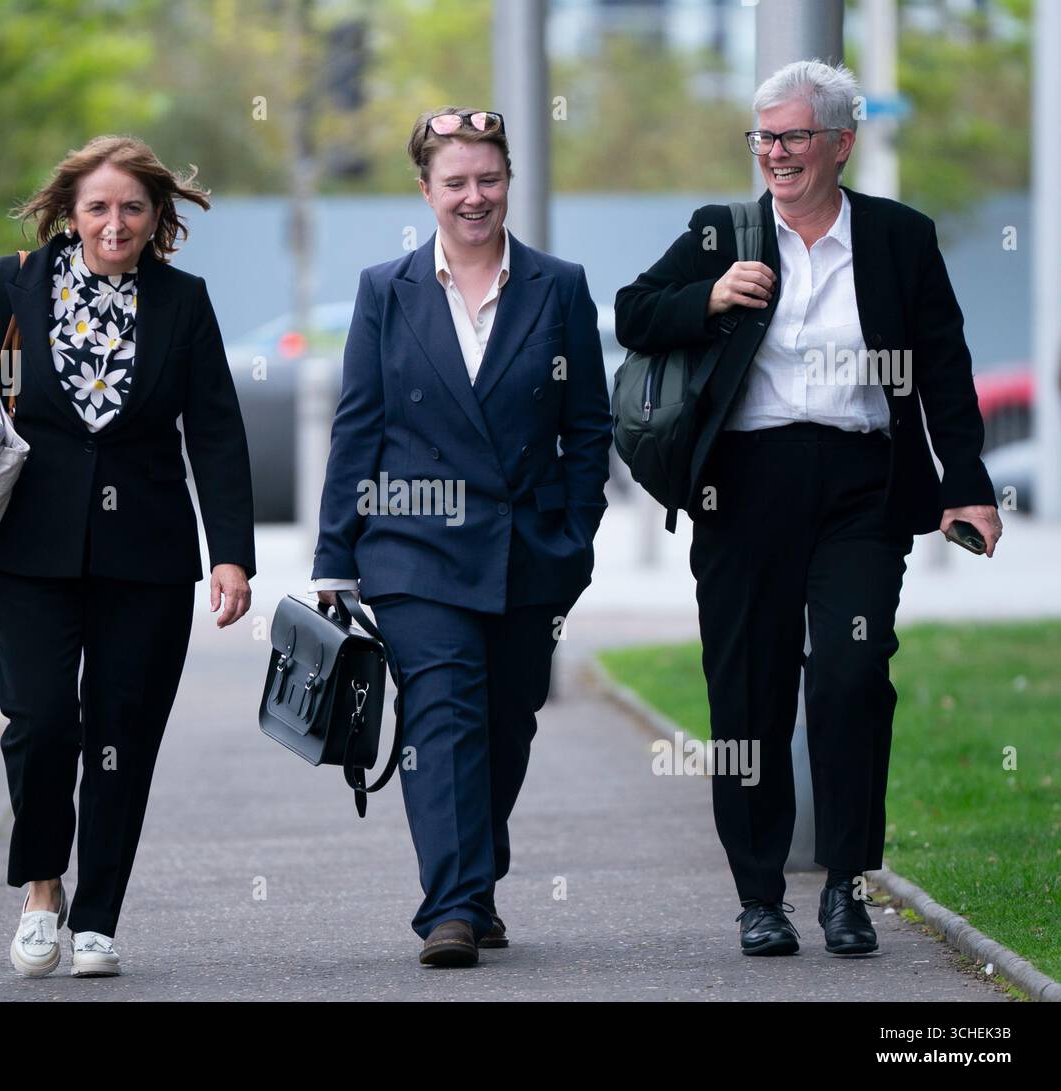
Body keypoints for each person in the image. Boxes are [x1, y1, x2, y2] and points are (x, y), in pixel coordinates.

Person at [0, 134, 255, 978]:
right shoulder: (16, 285)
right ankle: (43, 889)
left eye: (132, 208)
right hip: (31, 548)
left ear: (155, 218)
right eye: (99, 206)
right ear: (69, 212)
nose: (115, 222)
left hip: (147, 555)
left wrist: (232, 555)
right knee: (38, 721)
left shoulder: (184, 303)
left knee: (121, 733)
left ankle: (99, 917)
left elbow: (214, 431)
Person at [615, 61, 1001, 957]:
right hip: (744, 487)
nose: (775, 154)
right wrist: (707, 297)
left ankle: (844, 885)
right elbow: (635, 313)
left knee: (850, 677)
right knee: (745, 690)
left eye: (792, 137)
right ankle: (758, 896)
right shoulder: (724, 234)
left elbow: (943, 365)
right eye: (763, 137)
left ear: (841, 143)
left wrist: (968, 484)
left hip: (861, 487)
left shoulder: (900, 237)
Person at [312, 107, 611, 967]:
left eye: (488, 179)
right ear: (425, 191)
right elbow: (357, 426)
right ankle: (451, 906)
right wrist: (337, 556)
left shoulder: (558, 286)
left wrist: (575, 530)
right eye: (456, 183)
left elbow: (588, 426)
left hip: (528, 549)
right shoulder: (386, 289)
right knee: (441, 713)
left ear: (508, 180)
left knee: (507, 718)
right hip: (413, 547)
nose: (473, 197)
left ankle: (476, 877)